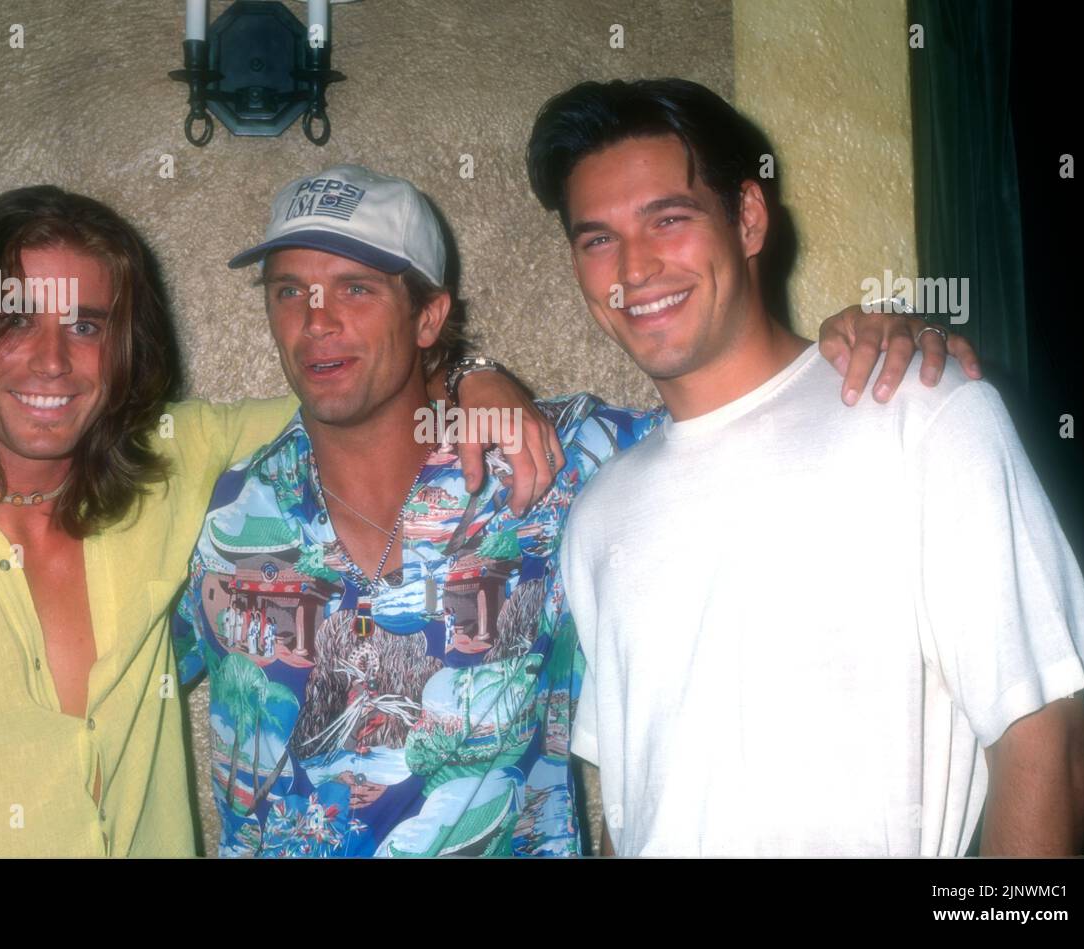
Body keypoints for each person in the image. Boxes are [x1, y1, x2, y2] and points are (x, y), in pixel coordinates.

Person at [172, 163, 979, 857]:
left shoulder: (562, 459)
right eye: (290, 291)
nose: (317, 320)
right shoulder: (220, 513)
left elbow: (748, 419)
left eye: (354, 287)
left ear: (428, 316)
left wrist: (870, 342)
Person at [0, 185, 559, 857]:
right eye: (12, 319)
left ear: (124, 348)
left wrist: (469, 372)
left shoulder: (173, 465)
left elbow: (363, 401)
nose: (51, 360)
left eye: (84, 325)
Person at [525, 78, 1084, 857]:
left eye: (669, 217)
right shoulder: (599, 511)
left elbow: (1047, 743)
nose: (634, 266)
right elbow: (640, 797)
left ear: (750, 218)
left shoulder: (921, 411)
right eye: (598, 238)